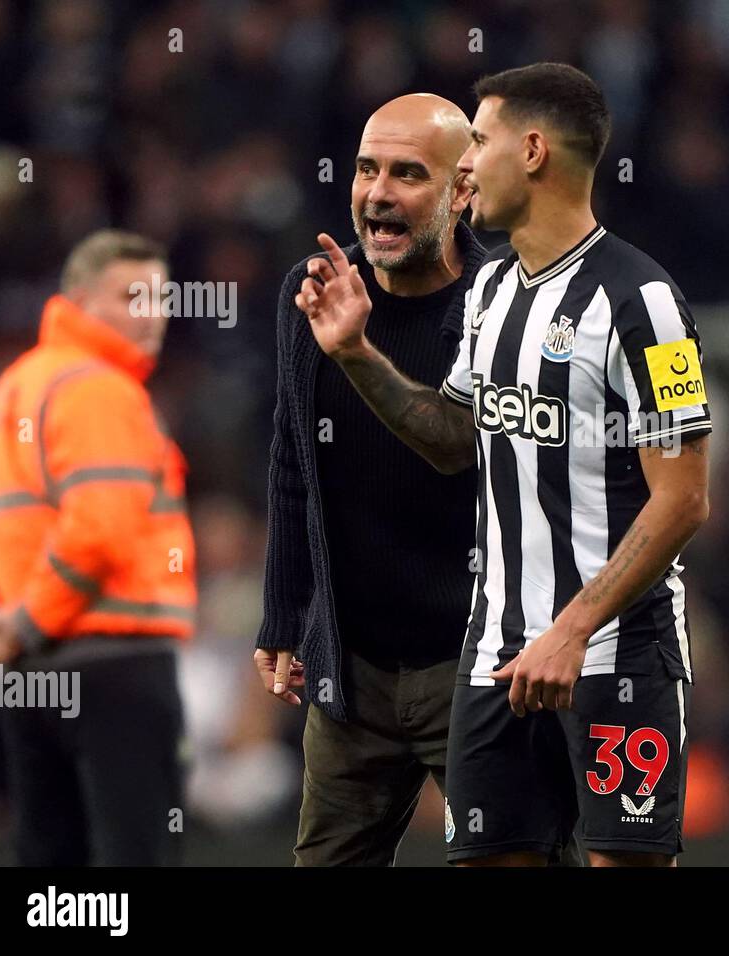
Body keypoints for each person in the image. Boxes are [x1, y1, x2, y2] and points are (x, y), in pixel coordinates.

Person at [295, 62, 711, 866]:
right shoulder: (489, 291)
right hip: (493, 656)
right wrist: (354, 354)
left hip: (615, 656)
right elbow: (455, 436)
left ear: (530, 151)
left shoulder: (644, 302)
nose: (466, 165)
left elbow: (686, 498)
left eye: (477, 142)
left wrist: (572, 629)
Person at [252, 93, 489, 866]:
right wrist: (284, 614)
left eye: (407, 174)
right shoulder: (313, 290)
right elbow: (292, 457)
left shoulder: (501, 307)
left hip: (477, 665)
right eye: (366, 169)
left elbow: (476, 457)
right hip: (351, 673)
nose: (378, 192)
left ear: (463, 192)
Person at [0, 229, 196, 865]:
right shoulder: (100, 389)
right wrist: (25, 621)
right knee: (138, 860)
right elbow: (100, 529)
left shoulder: (9, 392)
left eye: (162, 297)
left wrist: (1, 619)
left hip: (29, 677)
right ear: (76, 302)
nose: (153, 313)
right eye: (132, 296)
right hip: (115, 665)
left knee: (50, 870)